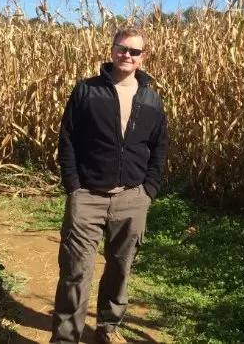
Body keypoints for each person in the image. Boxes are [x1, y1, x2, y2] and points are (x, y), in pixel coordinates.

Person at [50, 28, 168, 344]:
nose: (127, 55)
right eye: (122, 48)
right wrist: (73, 186)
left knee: (120, 269)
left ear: (143, 57)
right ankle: (65, 338)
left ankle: (108, 327)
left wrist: (149, 190)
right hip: (87, 195)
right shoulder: (87, 91)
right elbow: (68, 140)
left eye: (134, 51)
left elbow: (159, 146)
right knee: (76, 271)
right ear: (112, 49)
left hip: (132, 198)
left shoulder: (151, 98)